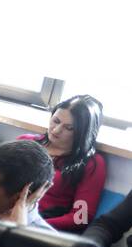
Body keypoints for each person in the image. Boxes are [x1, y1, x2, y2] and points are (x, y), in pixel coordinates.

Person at [17, 95, 106, 232]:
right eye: (55, 121)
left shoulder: (91, 164)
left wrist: (34, 224)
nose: (56, 130)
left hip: (43, 225)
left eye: (69, 128)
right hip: (4, 211)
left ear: (83, 132)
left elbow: (80, 217)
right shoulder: (25, 143)